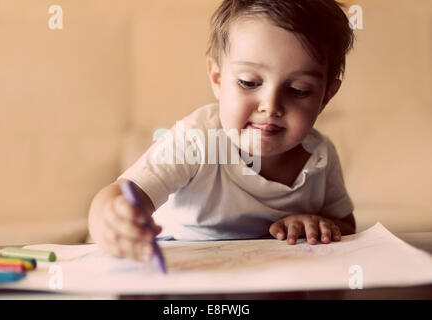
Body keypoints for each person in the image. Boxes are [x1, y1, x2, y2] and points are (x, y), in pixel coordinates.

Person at [88, 0, 356, 262]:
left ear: (326, 97)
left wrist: (318, 224)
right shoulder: (197, 140)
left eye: (298, 90)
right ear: (217, 79)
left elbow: (345, 223)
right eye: (249, 82)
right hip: (182, 273)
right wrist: (112, 220)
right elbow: (123, 192)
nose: (270, 106)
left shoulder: (321, 156)